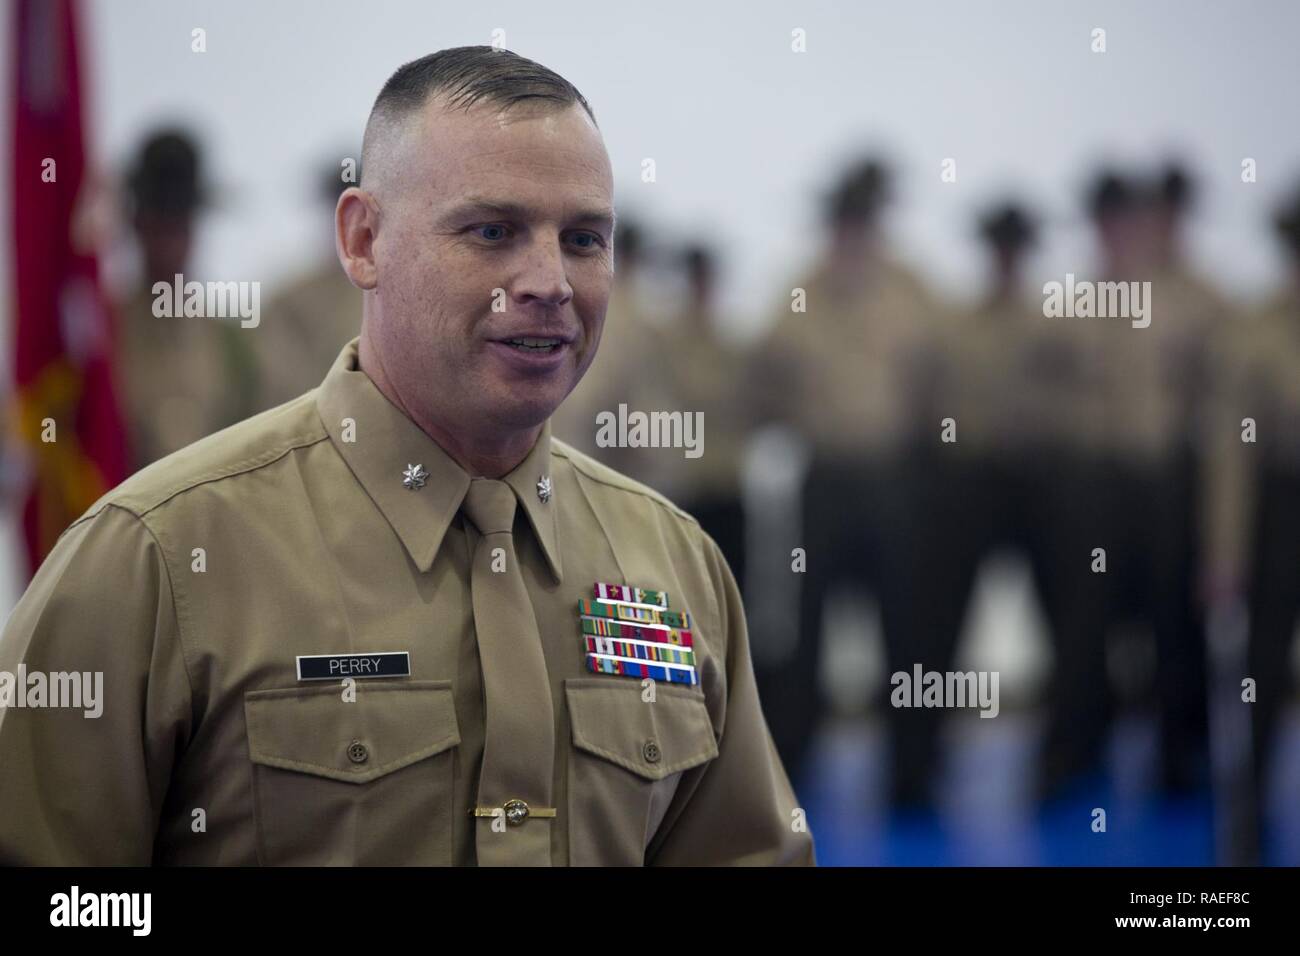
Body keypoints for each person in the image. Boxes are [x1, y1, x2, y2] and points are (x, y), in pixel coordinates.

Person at [0, 46, 813, 867]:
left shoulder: (677, 570)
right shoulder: (159, 558)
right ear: (363, 239)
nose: (549, 281)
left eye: (583, 238)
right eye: (492, 230)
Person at [752, 158, 944, 805]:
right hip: (826, 481)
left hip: (897, 480)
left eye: (864, 218)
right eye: (844, 219)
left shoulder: (912, 289)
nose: (854, 232)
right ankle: (790, 773)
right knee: (805, 636)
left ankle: (912, 777)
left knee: (908, 630)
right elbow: (766, 379)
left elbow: (941, 384)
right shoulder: (801, 291)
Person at [113, 129, 258, 470]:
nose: (170, 239)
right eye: (159, 221)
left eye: (180, 222)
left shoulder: (230, 342)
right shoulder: (102, 333)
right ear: (136, 225)